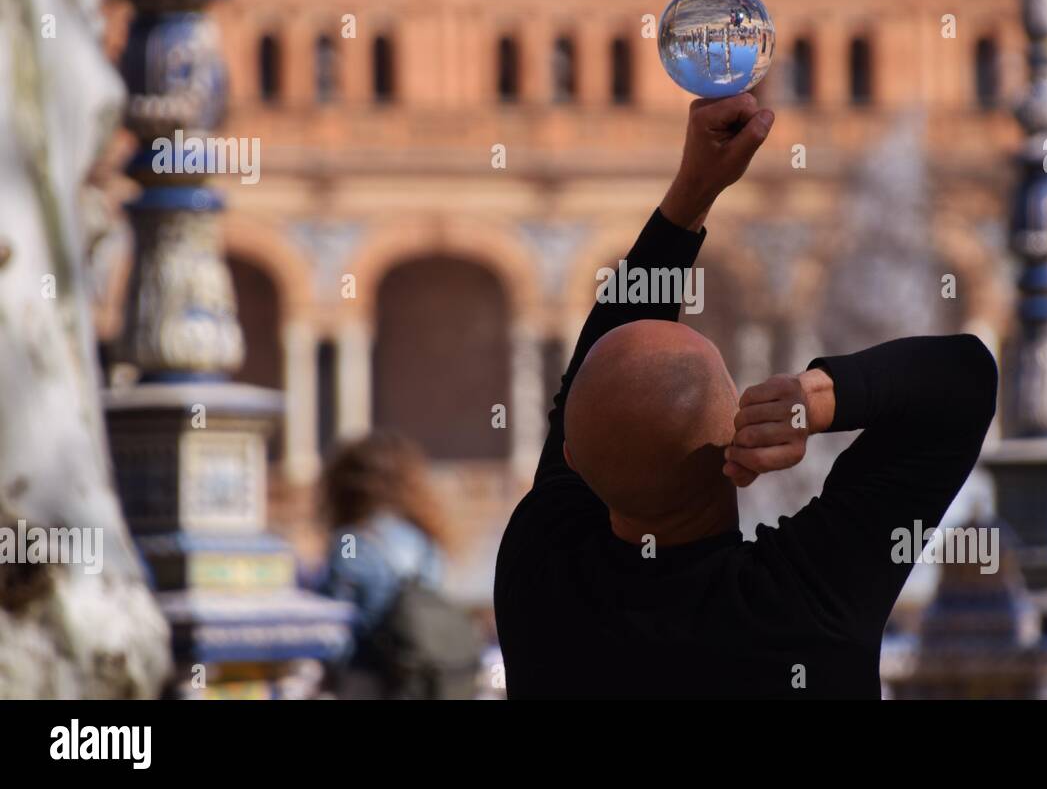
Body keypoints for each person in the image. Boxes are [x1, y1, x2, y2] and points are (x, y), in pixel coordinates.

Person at [494, 93, 998, 698]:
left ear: (572, 458)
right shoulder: (809, 602)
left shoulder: (539, 569)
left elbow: (591, 377)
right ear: (738, 449)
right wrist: (819, 397)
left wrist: (689, 195)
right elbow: (966, 376)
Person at [321, 431, 480, 699]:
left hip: (371, 680)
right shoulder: (424, 540)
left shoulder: (350, 541)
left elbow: (336, 632)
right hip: (427, 679)